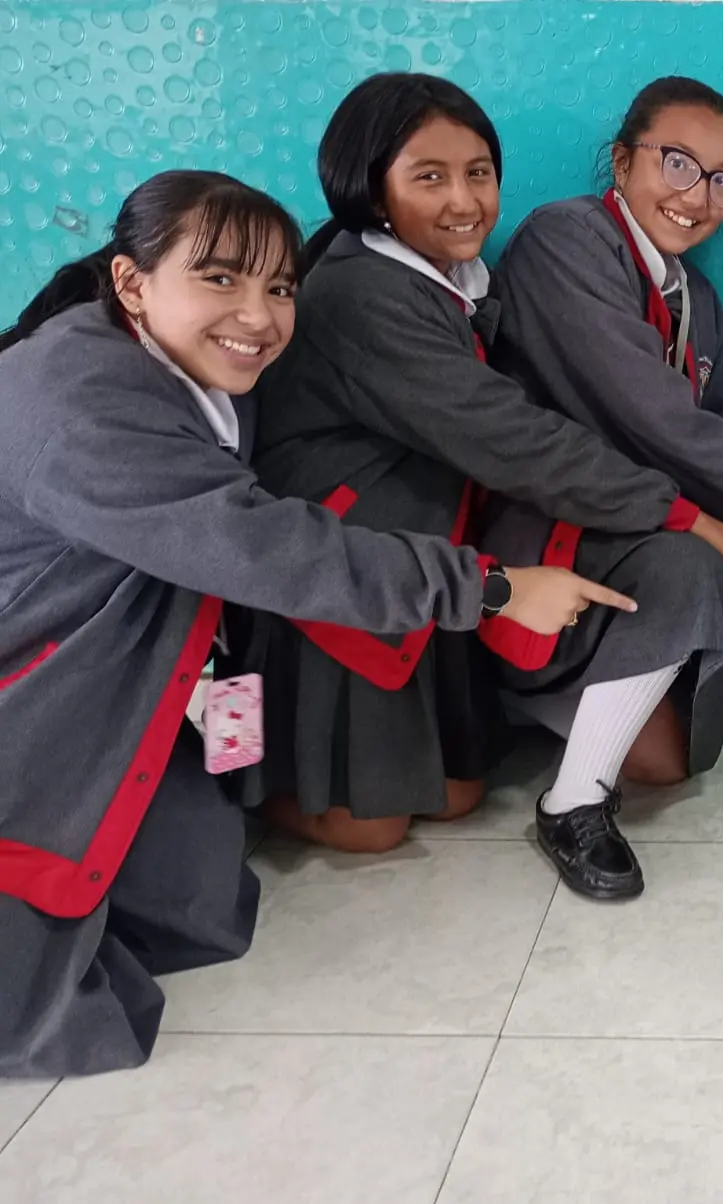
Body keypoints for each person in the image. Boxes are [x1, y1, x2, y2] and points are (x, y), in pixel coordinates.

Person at [0, 170, 628, 1078]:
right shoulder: (82, 408)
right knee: (52, 980)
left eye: (280, 287)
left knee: (201, 904)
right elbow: (269, 548)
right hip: (42, 677)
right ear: (131, 282)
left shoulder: (189, 365)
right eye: (220, 279)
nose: (257, 316)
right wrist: (494, 588)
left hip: (171, 659)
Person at [234, 74, 723, 892]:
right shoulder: (370, 290)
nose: (464, 200)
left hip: (447, 565)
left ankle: (532, 735)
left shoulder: (463, 283)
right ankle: (223, 780)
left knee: (461, 797)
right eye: (430, 176)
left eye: (478, 173)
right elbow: (519, 440)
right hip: (352, 581)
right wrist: (705, 518)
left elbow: (690, 423)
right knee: (371, 830)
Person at [484, 74, 723, 782]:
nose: (697, 197)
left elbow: (710, 429)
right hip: (547, 534)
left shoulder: (698, 299)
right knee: (691, 561)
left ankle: (549, 710)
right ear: (621, 162)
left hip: (642, 533)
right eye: (677, 164)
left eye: (722, 180)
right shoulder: (565, 240)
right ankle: (573, 800)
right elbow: (651, 412)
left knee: (669, 759)